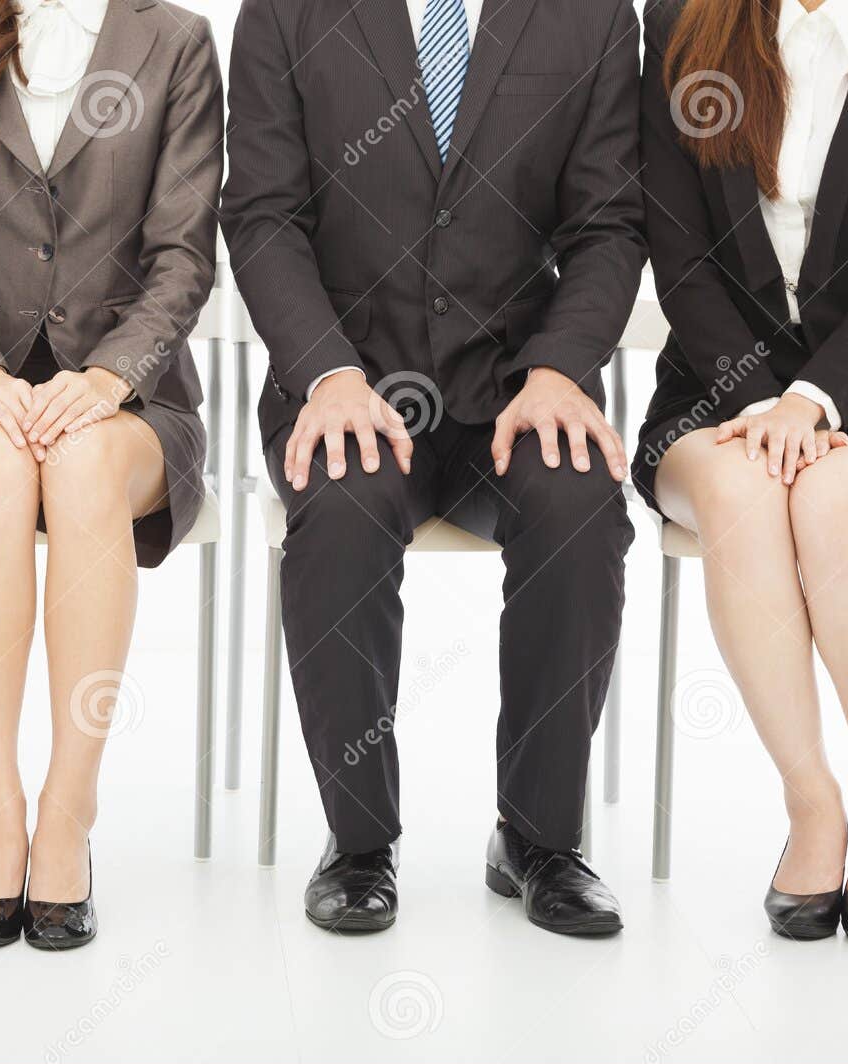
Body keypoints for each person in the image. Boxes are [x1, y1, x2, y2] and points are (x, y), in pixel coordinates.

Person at [222, 0, 645, 936]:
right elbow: (261, 216)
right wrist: (327, 372)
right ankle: (359, 842)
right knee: (340, 509)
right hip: (355, 378)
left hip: (517, 383)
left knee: (581, 505)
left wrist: (558, 368)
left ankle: (540, 839)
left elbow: (609, 225)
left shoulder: (596, 14)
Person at [0, 0, 221, 950]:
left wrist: (111, 376)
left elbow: (184, 254)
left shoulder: (180, 40)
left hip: (134, 396)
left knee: (77, 465)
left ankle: (69, 807)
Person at [637, 0, 848, 945]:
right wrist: (761, 400)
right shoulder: (680, 28)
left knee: (831, 498)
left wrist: (813, 401)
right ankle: (812, 802)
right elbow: (680, 259)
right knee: (745, 492)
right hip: (716, 390)